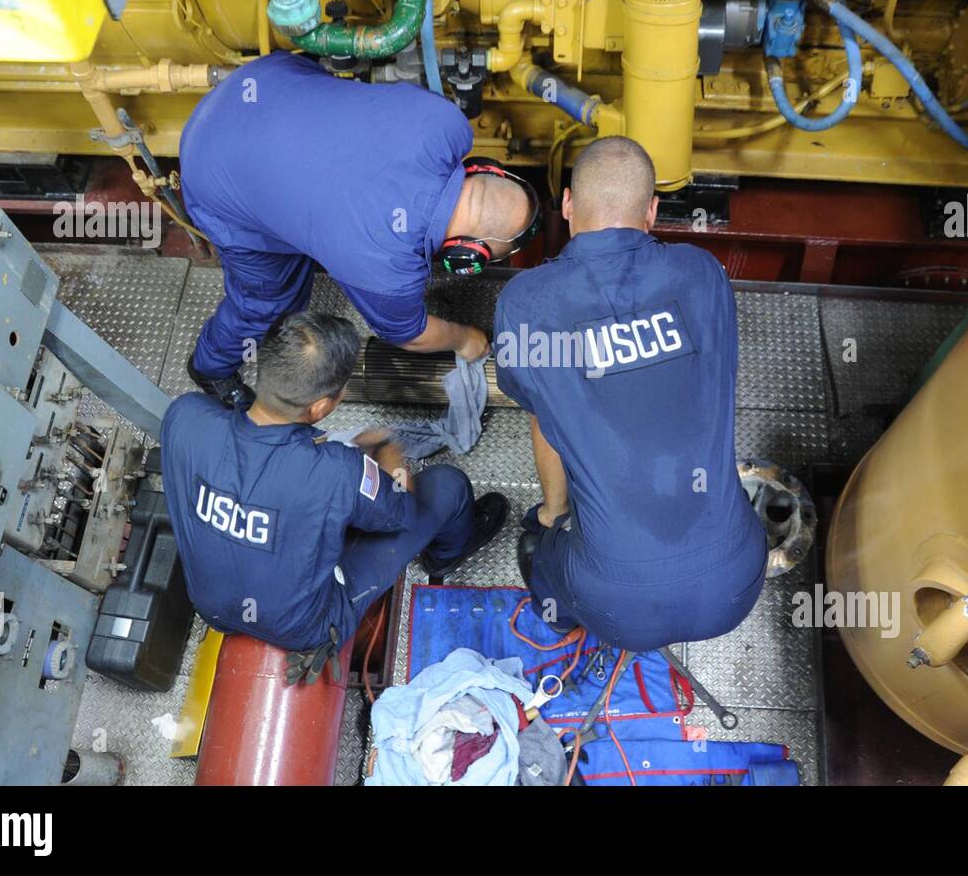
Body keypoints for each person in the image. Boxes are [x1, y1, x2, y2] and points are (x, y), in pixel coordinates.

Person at [493, 136, 766, 651]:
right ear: (652, 211)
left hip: (616, 606)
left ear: (568, 204)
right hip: (737, 583)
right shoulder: (701, 272)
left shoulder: (526, 302)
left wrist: (555, 516)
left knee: (538, 540)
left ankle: (557, 616)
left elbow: (542, 414)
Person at [180, 51, 537, 408]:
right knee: (269, 300)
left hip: (263, 80)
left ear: (486, 169)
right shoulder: (389, 271)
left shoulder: (446, 121)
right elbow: (410, 335)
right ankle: (210, 366)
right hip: (210, 167)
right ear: (467, 254)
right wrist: (466, 340)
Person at [159, 310, 508, 658]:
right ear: (320, 407)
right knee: (447, 485)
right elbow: (402, 513)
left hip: (213, 607)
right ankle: (444, 556)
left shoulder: (185, 416)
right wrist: (388, 450)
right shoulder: (339, 470)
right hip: (303, 628)